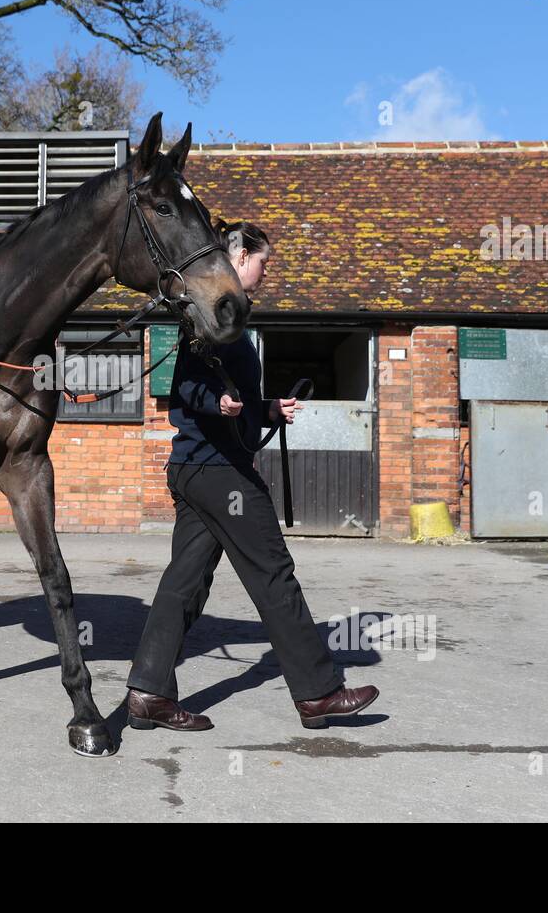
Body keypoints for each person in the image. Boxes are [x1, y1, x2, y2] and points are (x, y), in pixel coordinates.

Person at [125, 220, 380, 732]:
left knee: (185, 582)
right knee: (273, 573)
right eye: (264, 261)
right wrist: (216, 402)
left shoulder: (225, 314)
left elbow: (225, 394)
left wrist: (265, 410)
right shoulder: (210, 310)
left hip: (196, 468)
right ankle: (318, 692)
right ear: (240, 258)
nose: (268, 270)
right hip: (220, 472)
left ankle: (148, 693)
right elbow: (188, 385)